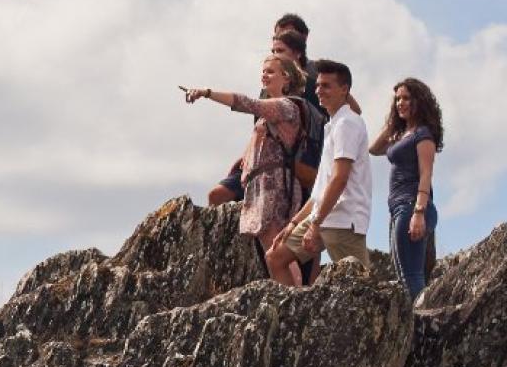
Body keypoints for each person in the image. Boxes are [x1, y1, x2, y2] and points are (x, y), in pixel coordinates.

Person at [185, 56, 308, 272]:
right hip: (263, 183)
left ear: (286, 78)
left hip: (275, 185)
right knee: (271, 247)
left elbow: (248, 103)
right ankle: (289, 289)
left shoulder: (285, 106)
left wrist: (207, 93)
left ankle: (293, 290)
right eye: (263, 71)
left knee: (276, 246)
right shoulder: (275, 109)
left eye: (270, 71)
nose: (264, 75)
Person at [269, 60, 372, 281]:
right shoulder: (333, 124)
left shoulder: (347, 123)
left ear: (344, 90)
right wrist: (295, 223)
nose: (318, 91)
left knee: (360, 287)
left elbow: (340, 179)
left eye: (326, 86)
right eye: (317, 85)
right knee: (276, 257)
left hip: (343, 218)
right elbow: (321, 189)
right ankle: (295, 306)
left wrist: (315, 225)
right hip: (324, 215)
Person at [370, 79, 443, 299]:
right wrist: (393, 122)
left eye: (406, 98)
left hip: (412, 206)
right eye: (397, 99)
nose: (400, 103)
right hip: (398, 208)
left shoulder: (423, 134)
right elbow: (374, 148)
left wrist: (419, 212)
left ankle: (419, 319)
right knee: (403, 275)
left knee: (411, 275)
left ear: (419, 101)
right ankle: (413, 318)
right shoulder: (402, 134)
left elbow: (426, 174)